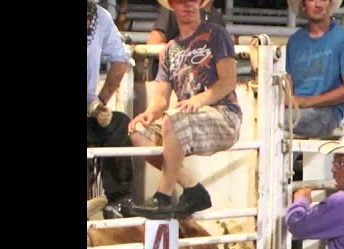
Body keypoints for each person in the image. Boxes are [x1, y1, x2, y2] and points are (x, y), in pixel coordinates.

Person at [125, 0, 242, 219]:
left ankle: (163, 197)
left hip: (223, 114)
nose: (187, 4)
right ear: (172, 5)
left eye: (193, 0)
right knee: (138, 131)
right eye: (181, 0)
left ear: (200, 4)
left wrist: (200, 99)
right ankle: (192, 188)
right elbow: (160, 99)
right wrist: (150, 112)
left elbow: (229, 81)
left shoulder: (216, 34)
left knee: (173, 119)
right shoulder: (169, 50)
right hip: (186, 117)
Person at [287, 0, 344, 140]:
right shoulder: (294, 41)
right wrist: (289, 101)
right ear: (303, 5)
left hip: (328, 113)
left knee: (276, 122)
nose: (318, 4)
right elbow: (287, 83)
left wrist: (307, 101)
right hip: (298, 111)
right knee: (274, 121)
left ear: (330, 4)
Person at [87, 0, 135, 216]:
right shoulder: (99, 15)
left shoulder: (101, 17)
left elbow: (120, 60)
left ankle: (117, 200)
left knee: (119, 124)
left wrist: (100, 103)